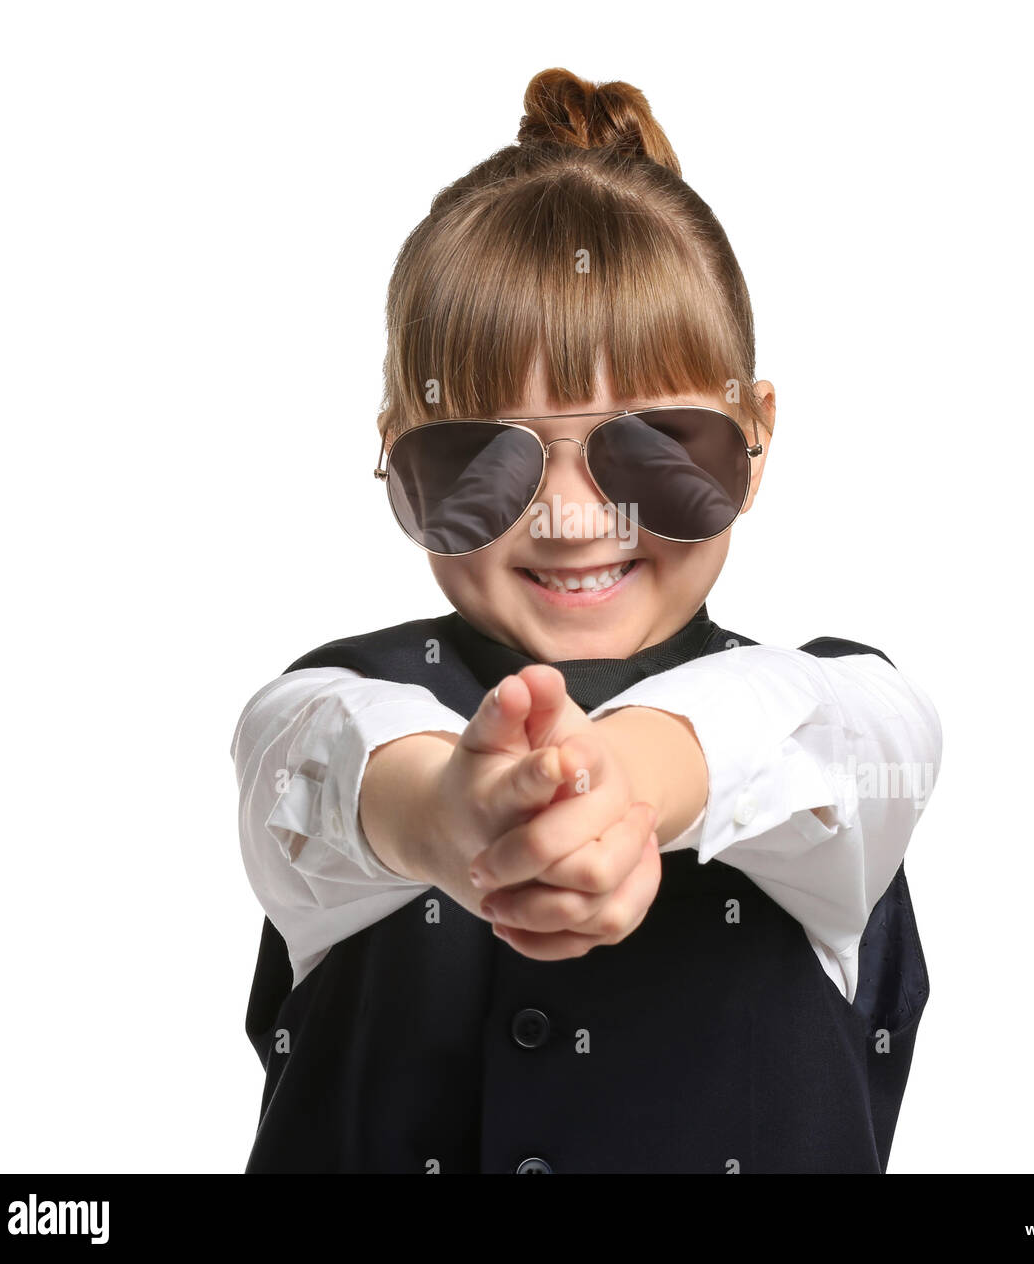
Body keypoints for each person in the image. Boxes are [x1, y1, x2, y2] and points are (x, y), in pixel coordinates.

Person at [232, 67, 943, 1173]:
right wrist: (453, 814)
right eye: (483, 456)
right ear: (395, 456)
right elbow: (329, 764)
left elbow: (809, 730)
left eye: (653, 445)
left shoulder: (855, 722)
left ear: (757, 435)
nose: (572, 518)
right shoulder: (318, 708)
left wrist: (627, 782)